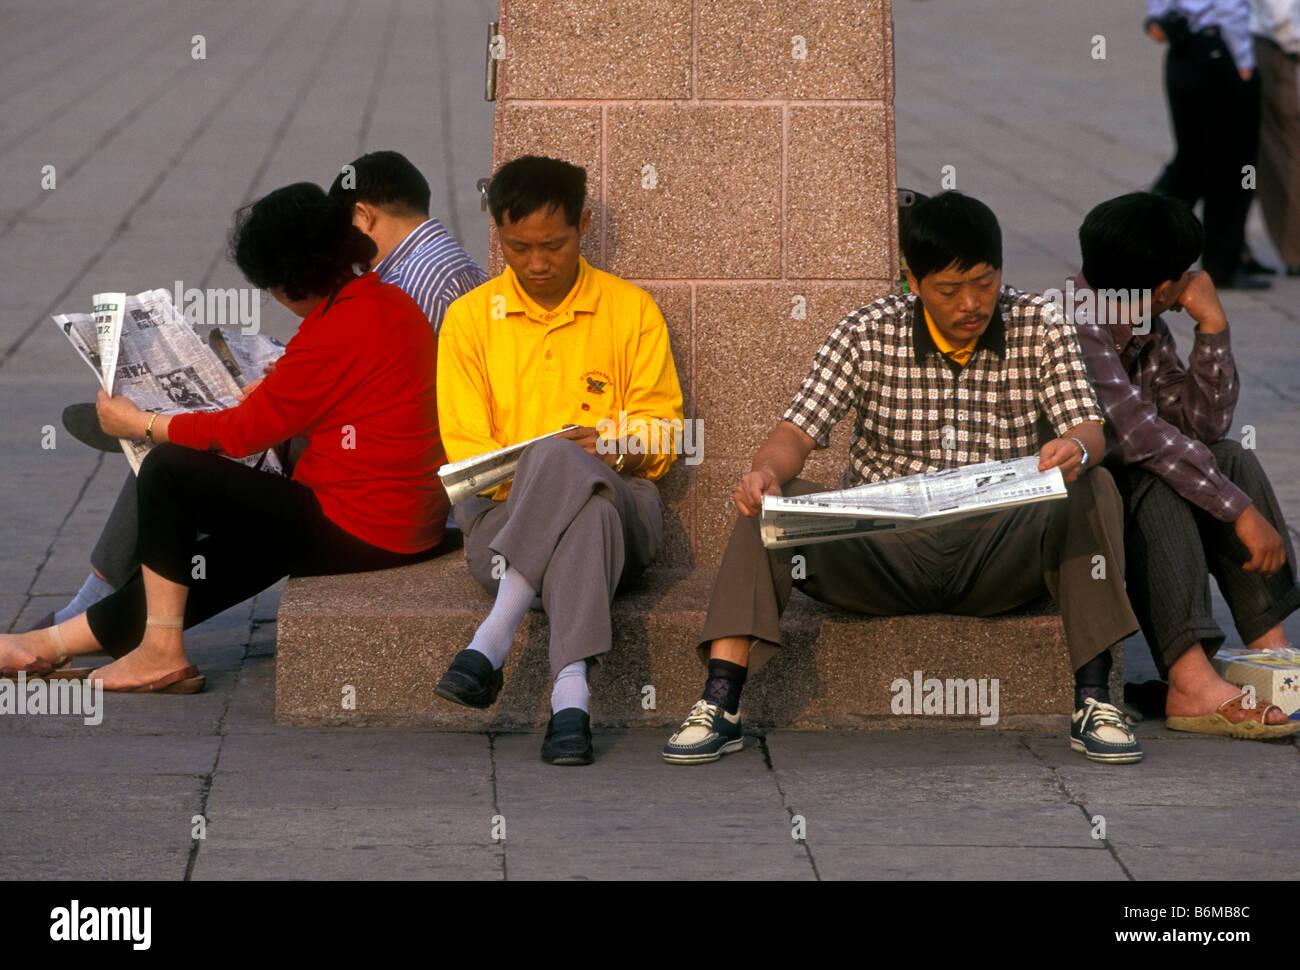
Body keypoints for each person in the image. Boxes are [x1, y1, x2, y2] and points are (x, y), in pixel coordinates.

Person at [662, 191, 1144, 766]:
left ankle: (1093, 700)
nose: (971, 304)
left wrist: (1075, 449)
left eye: (985, 284)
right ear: (912, 281)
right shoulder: (867, 330)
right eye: (948, 290)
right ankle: (721, 701)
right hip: (880, 551)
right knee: (770, 505)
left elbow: (1088, 427)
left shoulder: (1041, 324)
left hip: (995, 552)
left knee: (1094, 486)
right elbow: (795, 432)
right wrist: (764, 472)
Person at [0, 183, 450, 690]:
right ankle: (52, 644)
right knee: (224, 555)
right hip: (400, 519)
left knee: (170, 472)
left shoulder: (338, 327)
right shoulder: (384, 303)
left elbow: (241, 434)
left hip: (363, 524)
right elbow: (343, 392)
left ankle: (158, 648)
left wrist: (142, 424)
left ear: (285, 283)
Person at [433, 155, 684, 766]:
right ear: (497, 235)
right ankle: (571, 701)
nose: (537, 263)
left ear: (585, 225)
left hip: (631, 513)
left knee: (578, 473)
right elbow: (471, 456)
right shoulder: (470, 321)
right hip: (501, 522)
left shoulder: (631, 311)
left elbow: (665, 437)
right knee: (582, 508)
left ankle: (492, 639)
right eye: (518, 247)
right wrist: (562, 459)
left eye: (554, 244)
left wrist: (609, 445)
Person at [1070, 192, 1300, 739]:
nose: (1192, 282)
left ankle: (1276, 657)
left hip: (1131, 469)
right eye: (1184, 275)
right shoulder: (1076, 324)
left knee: (1230, 458)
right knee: (1154, 481)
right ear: (1160, 289)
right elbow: (1137, 436)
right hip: (1075, 507)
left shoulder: (1141, 319)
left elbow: (1203, 426)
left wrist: (1213, 327)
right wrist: (1240, 512)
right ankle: (1190, 680)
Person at [1146, 0, 1269, 290]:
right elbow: (1228, 10)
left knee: (1193, 159)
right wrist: (1243, 64)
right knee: (1232, 167)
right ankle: (1222, 262)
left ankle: (1143, 232)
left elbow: (1156, 18)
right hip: (1218, 55)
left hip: (1182, 52)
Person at [1252, 0, 1300, 276]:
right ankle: (1294, 249)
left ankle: (1290, 247)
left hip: (1269, 45)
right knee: (1287, 149)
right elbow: (1280, 14)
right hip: (1279, 50)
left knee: (1275, 151)